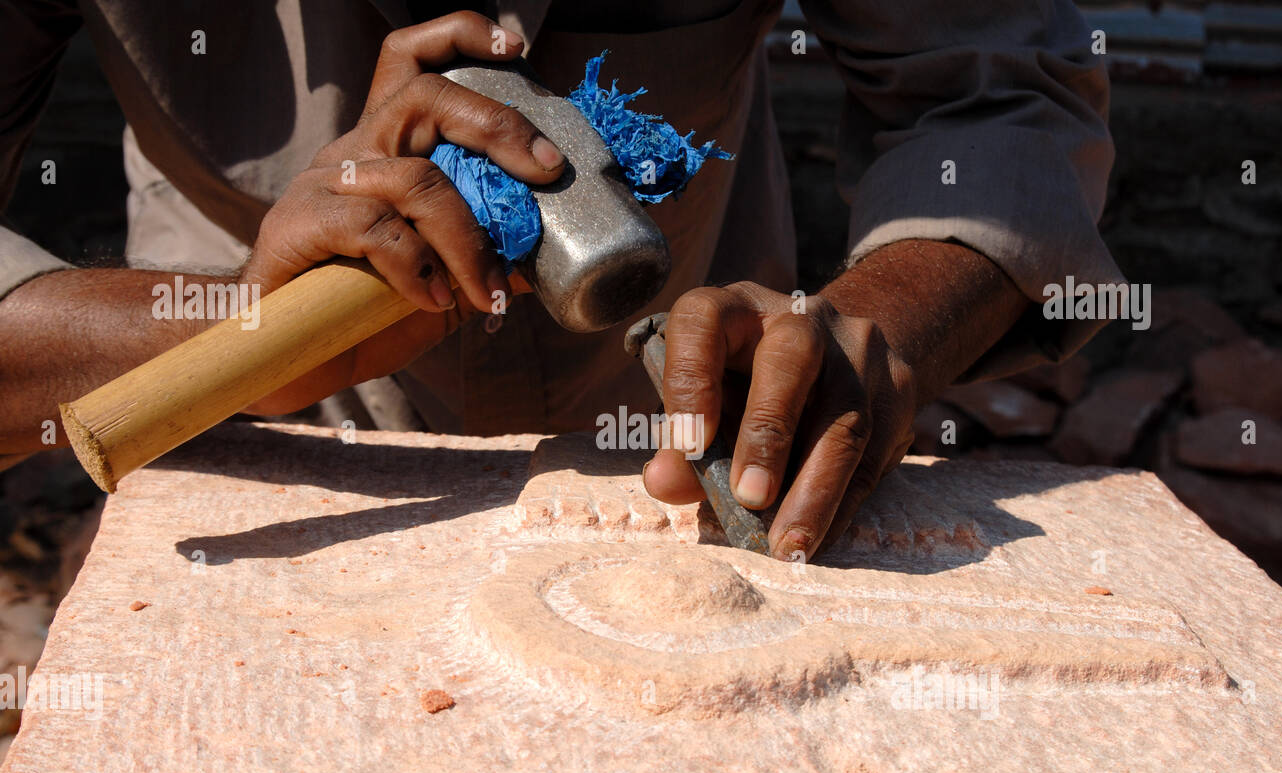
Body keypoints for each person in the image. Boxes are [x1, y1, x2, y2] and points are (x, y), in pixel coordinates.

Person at [0, 1, 1123, 560]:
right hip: (241, 431)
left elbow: (996, 90)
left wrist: (882, 316)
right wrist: (224, 326)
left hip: (688, 403)